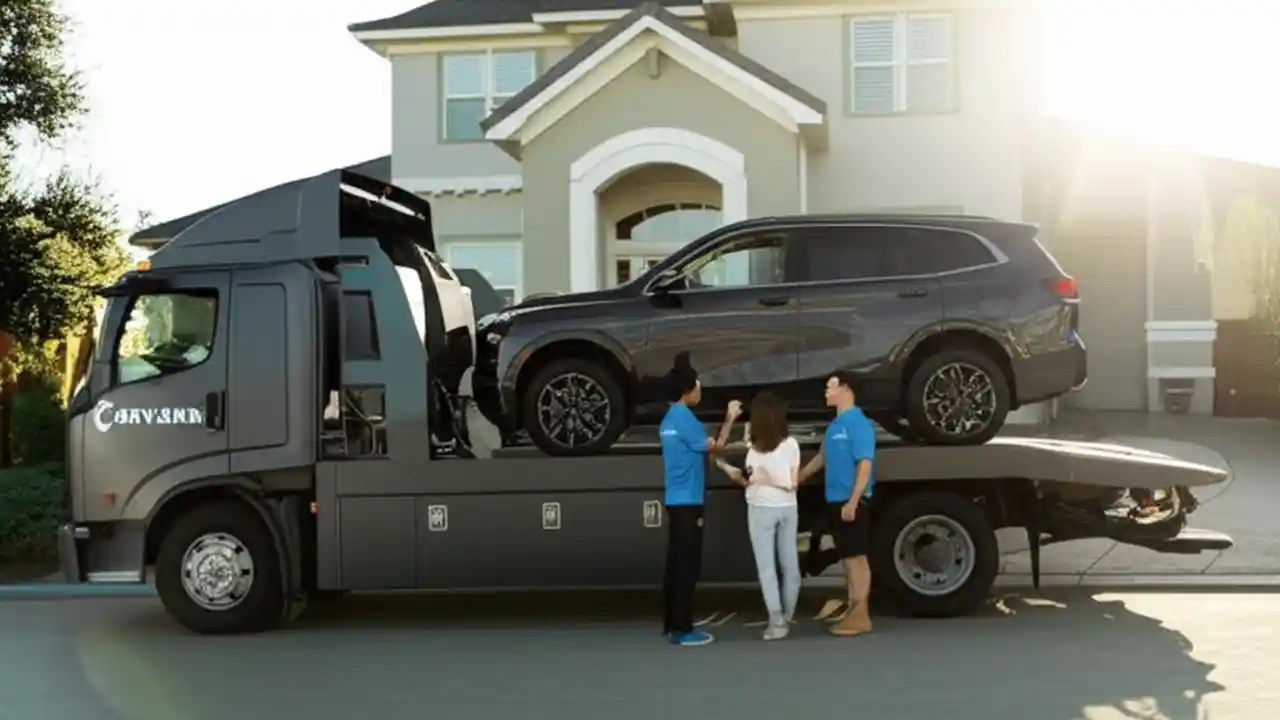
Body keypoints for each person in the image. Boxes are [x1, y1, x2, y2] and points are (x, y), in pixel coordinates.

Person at [659, 354, 741, 647]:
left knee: (675, 564)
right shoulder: (685, 419)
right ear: (687, 389)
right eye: (698, 384)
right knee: (688, 567)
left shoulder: (668, 419)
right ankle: (683, 629)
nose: (700, 389)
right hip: (689, 502)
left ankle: (672, 623)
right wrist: (730, 417)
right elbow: (716, 448)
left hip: (674, 498)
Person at [716, 391, 801, 640]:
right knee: (790, 566)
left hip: (760, 508)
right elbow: (793, 482)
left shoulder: (754, 451)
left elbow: (750, 480)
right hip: (788, 508)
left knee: (767, 568)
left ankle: (776, 621)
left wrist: (730, 468)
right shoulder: (792, 445)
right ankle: (787, 616)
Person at [798, 371, 876, 637]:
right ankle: (853, 611)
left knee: (857, 558)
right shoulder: (835, 426)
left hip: (851, 500)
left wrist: (854, 500)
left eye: (830, 387)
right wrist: (799, 477)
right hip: (834, 500)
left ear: (846, 389)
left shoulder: (859, 424)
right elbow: (822, 457)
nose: (826, 392)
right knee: (847, 558)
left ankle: (861, 613)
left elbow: (865, 464)